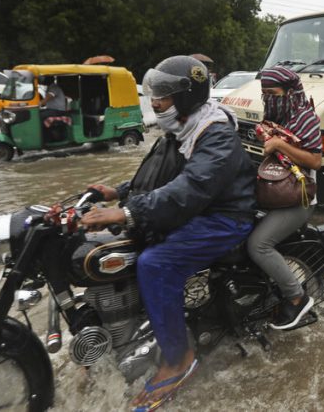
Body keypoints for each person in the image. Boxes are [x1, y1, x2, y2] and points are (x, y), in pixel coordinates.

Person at [79, 55, 256, 411]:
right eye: (154, 93)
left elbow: (191, 187)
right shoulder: (182, 127)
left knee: (155, 264)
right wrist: (119, 192)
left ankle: (178, 358)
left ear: (186, 96)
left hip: (224, 217)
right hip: (200, 208)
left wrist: (127, 212)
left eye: (162, 94)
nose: (155, 101)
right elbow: (161, 176)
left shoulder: (214, 132)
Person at [248, 66, 323, 330]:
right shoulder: (275, 116)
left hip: (297, 200)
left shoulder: (306, 118)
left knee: (258, 245)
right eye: (264, 93)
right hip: (271, 193)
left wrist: (280, 145)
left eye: (272, 93)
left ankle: (296, 297)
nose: (268, 98)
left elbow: (316, 160)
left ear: (290, 92)